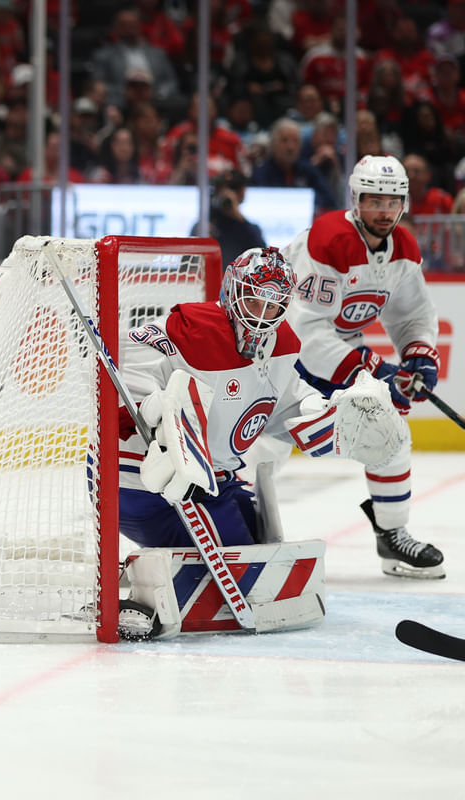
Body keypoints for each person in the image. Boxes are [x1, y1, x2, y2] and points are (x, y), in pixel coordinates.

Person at [118, 247, 407, 552]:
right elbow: (129, 368)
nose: (260, 315)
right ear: (232, 289)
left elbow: (285, 403)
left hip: (209, 482)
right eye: (253, 300)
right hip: (140, 480)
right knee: (248, 570)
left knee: (262, 538)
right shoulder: (192, 327)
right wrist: (156, 413)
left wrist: (329, 416)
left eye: (272, 306)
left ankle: (166, 587)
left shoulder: (281, 344)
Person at [279, 155, 444, 579]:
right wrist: (368, 367)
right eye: (374, 201)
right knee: (262, 449)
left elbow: (411, 317)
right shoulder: (329, 239)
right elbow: (303, 330)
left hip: (335, 354)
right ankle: (241, 537)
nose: (384, 212)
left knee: (389, 432)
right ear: (356, 200)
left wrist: (418, 354)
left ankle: (392, 535)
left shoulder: (403, 248)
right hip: (277, 357)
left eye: (392, 202)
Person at [192, 170, 266, 267]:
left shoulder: (248, 229)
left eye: (232, 189)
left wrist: (237, 216)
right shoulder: (207, 225)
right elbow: (188, 262)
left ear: (241, 193)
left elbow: (263, 258)